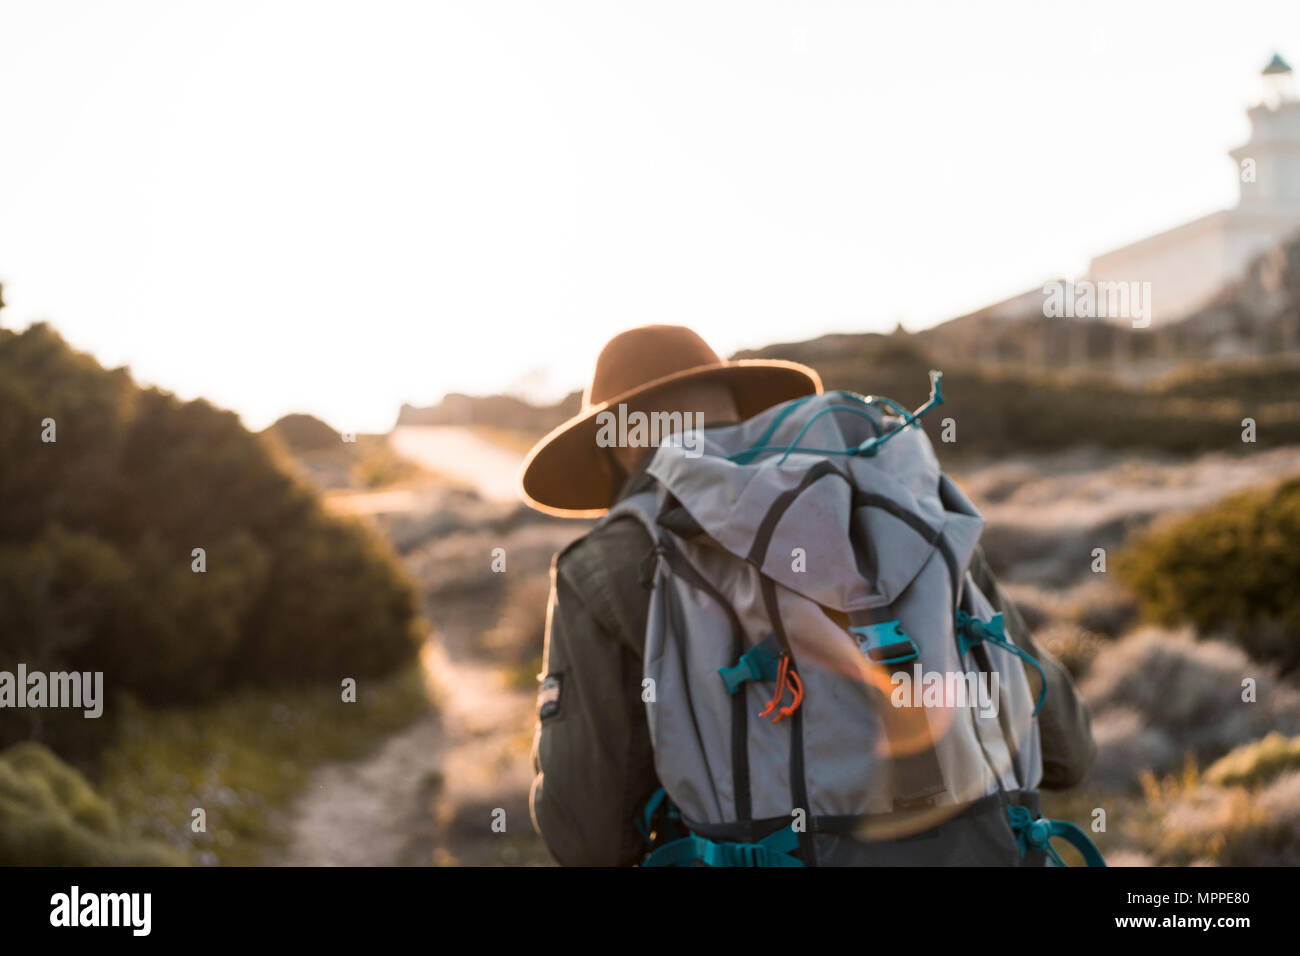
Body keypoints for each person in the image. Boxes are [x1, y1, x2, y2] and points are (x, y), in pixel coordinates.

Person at [520, 324, 1095, 866]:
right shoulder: (910, 508)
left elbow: (589, 837)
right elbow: (1067, 750)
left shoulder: (606, 563)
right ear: (741, 412)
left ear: (612, 447)